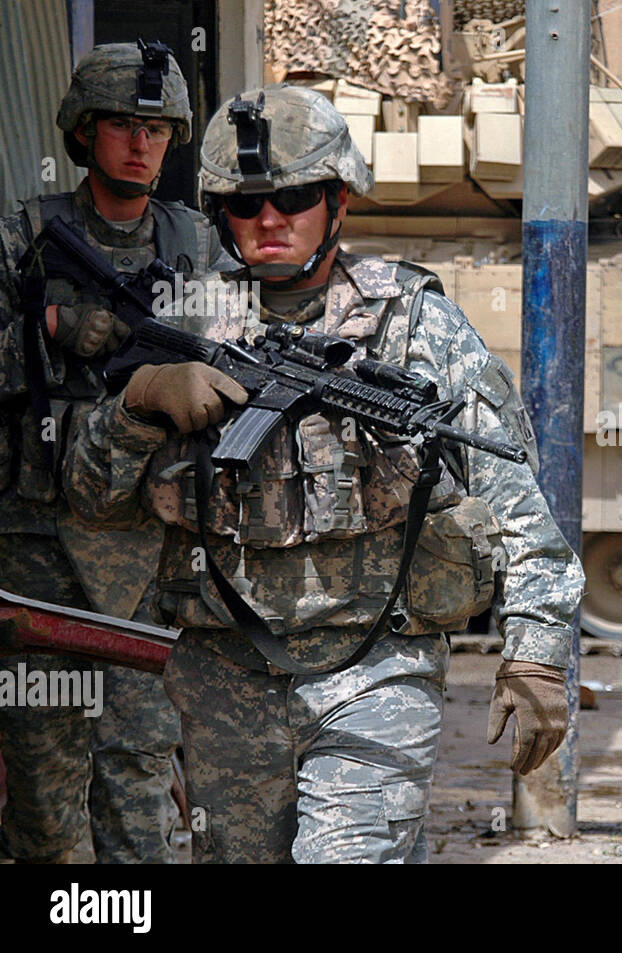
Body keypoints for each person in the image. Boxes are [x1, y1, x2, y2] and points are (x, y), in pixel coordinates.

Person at [64, 84, 585, 864]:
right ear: (220, 214)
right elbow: (89, 498)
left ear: (338, 201)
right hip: (225, 676)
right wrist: (139, 402)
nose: (270, 220)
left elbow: (516, 498)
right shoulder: (183, 321)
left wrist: (537, 650)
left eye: (295, 198)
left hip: (376, 666)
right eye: (246, 204)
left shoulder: (414, 326)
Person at [0, 41, 231, 864]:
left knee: (138, 768)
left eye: (157, 130)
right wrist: (49, 330)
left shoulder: (196, 243)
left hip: (149, 552)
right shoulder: (25, 234)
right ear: (83, 131)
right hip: (38, 550)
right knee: (43, 788)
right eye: (123, 126)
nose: (141, 144)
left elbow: (239, 352)